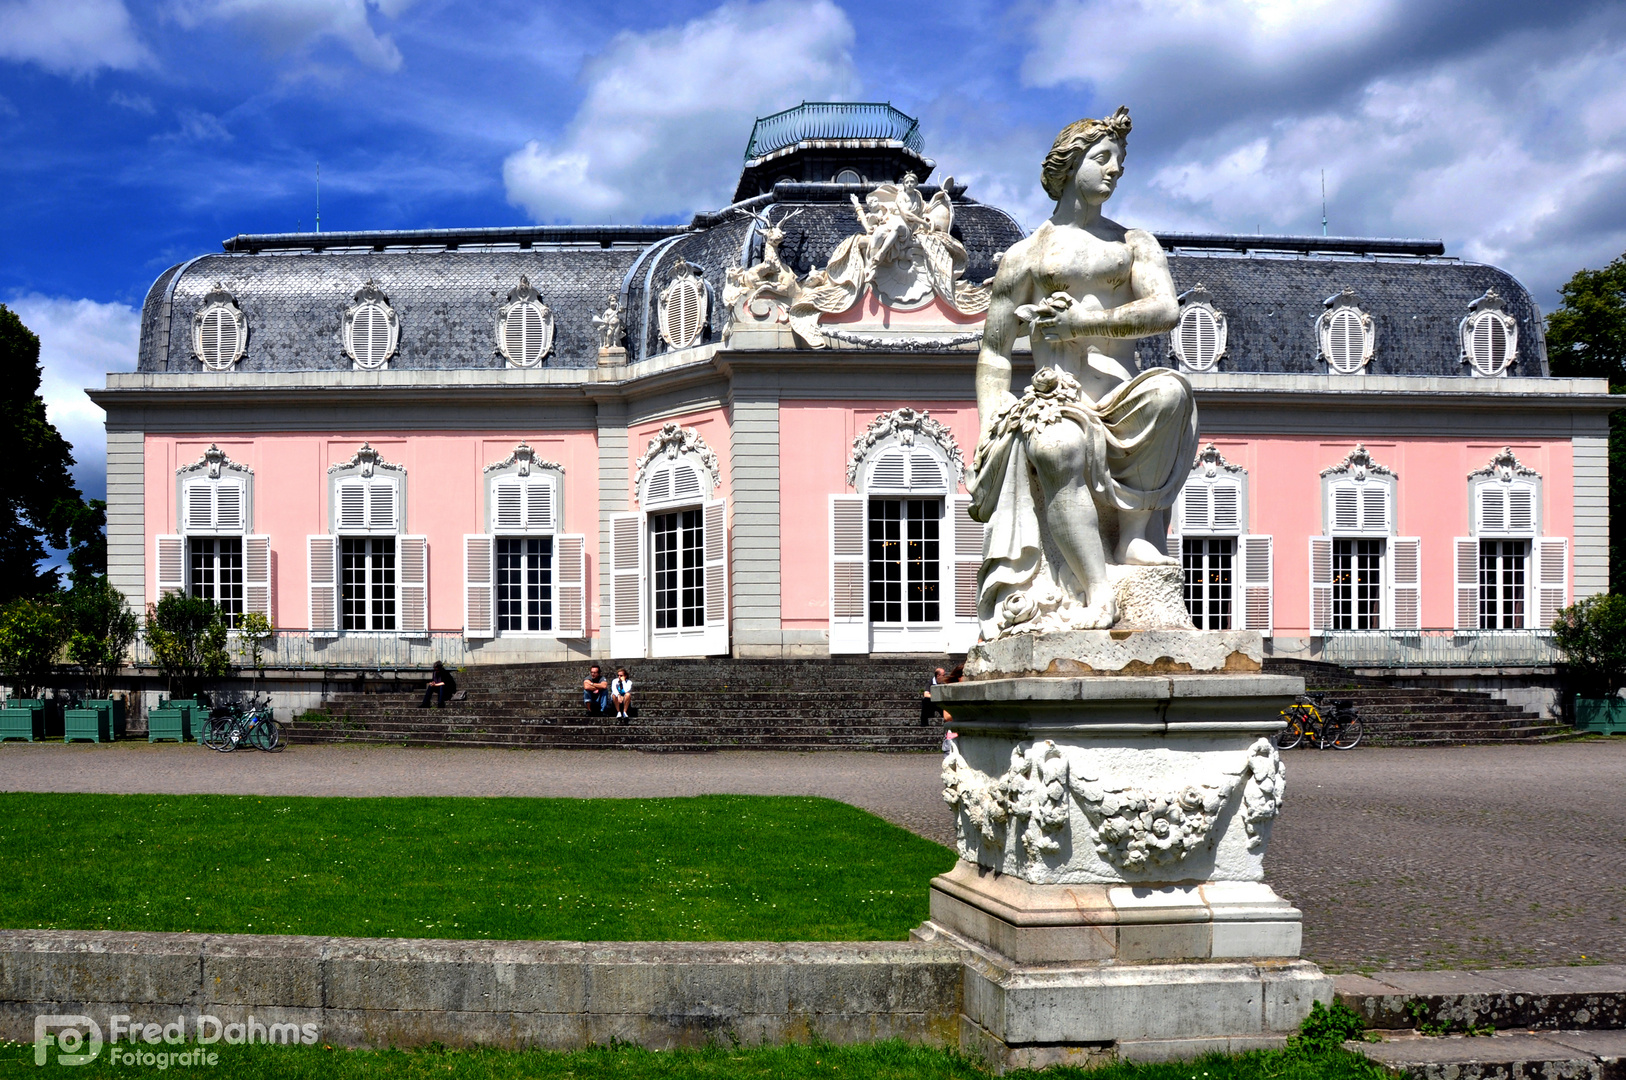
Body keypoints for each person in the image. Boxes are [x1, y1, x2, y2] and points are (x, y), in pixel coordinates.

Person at [970, 107, 1198, 639]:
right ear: (1070, 166)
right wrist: (991, 419)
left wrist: (1085, 321)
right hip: (1058, 396)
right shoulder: (1025, 256)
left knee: (1172, 390)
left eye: (1120, 161)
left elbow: (1165, 310)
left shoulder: (1133, 243)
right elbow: (995, 352)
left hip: (1122, 393)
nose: (1115, 170)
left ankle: (1134, 534)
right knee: (1055, 448)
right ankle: (1097, 590)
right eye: (1103, 158)